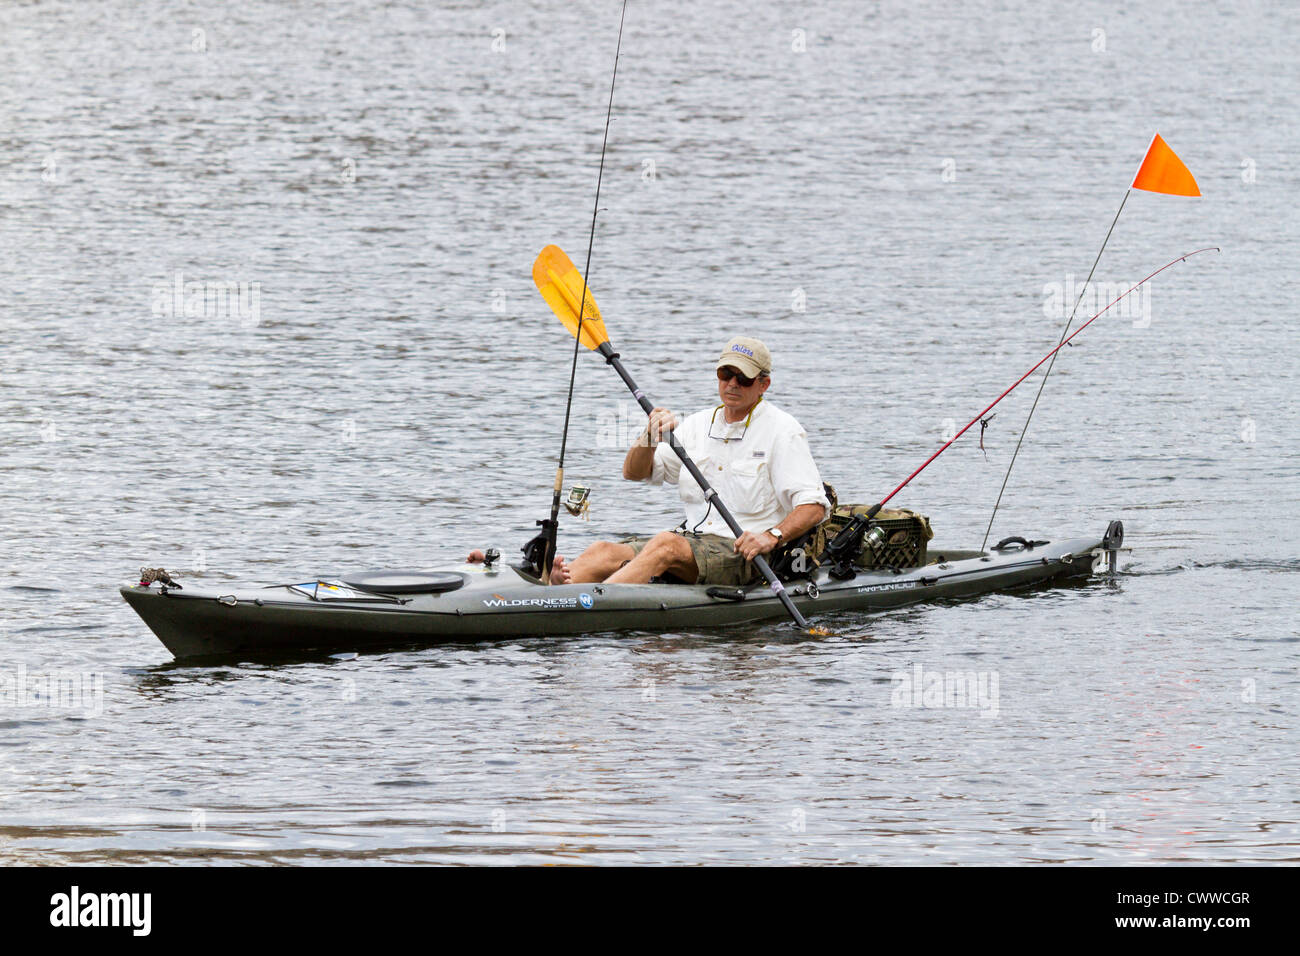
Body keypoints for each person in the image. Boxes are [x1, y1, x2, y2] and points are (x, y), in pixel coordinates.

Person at [548, 336, 829, 586]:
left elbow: (814, 507)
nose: (732, 384)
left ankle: (591, 603)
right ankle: (555, 590)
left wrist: (771, 536)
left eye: (743, 378)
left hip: (747, 554)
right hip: (693, 542)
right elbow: (634, 473)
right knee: (603, 551)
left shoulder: (783, 430)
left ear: (763, 384)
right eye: (725, 374)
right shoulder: (697, 424)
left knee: (665, 545)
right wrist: (649, 435)